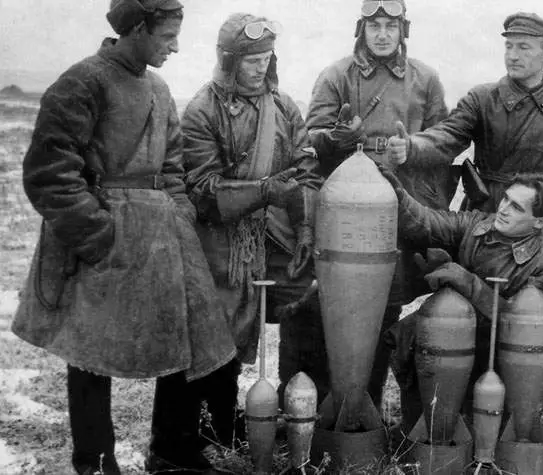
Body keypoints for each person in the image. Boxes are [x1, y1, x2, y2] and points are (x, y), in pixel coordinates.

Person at [12, 1, 236, 473]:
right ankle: (94, 461)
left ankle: (171, 450)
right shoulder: (82, 81)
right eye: (166, 35)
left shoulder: (157, 86)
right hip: (101, 240)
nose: (175, 45)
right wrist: (97, 236)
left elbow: (172, 167)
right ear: (136, 28)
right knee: (90, 352)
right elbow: (50, 173)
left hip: (161, 237)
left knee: (189, 336)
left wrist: (177, 213)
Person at [295, 0, 451, 410]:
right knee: (335, 302)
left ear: (404, 30)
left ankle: (370, 405)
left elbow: (445, 140)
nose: (382, 34)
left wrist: (412, 148)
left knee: (387, 303)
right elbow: (310, 135)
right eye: (374, 25)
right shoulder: (335, 75)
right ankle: (330, 402)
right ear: (361, 29)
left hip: (402, 203)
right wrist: (339, 138)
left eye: (391, 25)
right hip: (347, 204)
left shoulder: (426, 78)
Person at [179, 13, 321, 451]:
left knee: (303, 302)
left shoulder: (284, 107)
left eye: (266, 57)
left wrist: (304, 227)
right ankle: (211, 426)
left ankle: (283, 407)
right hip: (218, 238)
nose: (261, 66)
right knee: (219, 333)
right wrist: (262, 190)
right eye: (251, 59)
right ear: (229, 61)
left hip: (271, 234)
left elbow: (305, 171)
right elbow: (202, 190)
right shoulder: (204, 109)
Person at [386, 12, 543, 246]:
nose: (513, 56)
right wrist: (412, 146)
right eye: (509, 47)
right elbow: (448, 135)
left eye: (524, 48)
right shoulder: (482, 99)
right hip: (492, 209)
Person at [382, 171, 543, 435]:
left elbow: (522, 325)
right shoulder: (477, 224)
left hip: (497, 351)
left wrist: (468, 283)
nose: (503, 209)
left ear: (540, 222)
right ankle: (417, 431)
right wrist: (398, 194)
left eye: (516, 207)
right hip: (450, 334)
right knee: (411, 337)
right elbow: (428, 222)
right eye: (505, 199)